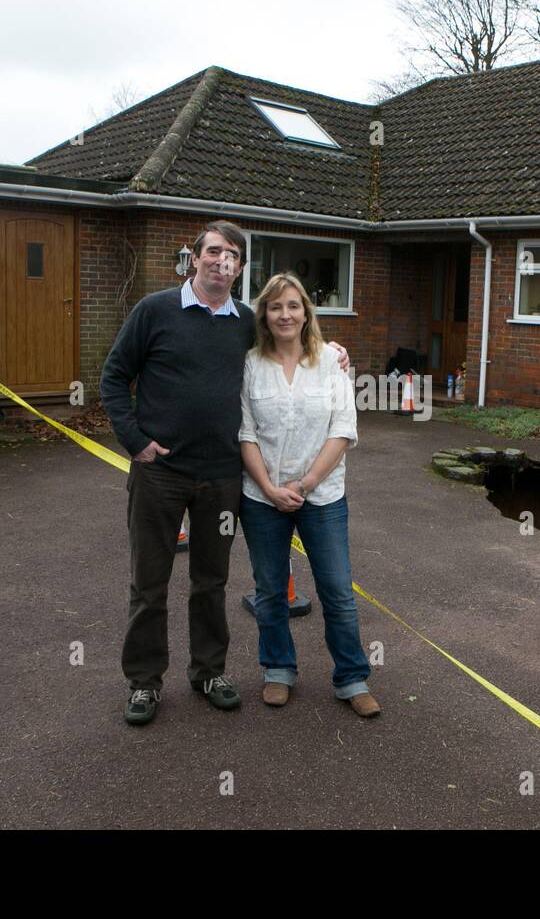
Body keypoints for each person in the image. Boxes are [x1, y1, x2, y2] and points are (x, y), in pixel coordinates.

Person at [100, 221, 348, 725]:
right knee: (149, 583)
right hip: (160, 475)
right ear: (195, 257)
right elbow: (113, 377)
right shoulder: (155, 311)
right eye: (214, 251)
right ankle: (144, 682)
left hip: (221, 478)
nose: (223, 261)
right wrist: (135, 441)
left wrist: (337, 350)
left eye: (233, 255)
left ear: (240, 267)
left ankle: (208, 671)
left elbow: (293, 338)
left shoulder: (243, 323)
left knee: (210, 581)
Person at [238, 272, 379, 718]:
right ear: (265, 314)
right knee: (270, 589)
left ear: (306, 313)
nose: (285, 314)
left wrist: (303, 485)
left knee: (338, 590)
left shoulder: (332, 363)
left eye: (293, 306)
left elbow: (343, 429)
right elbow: (245, 433)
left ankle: (351, 677)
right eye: (276, 307)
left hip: (323, 496)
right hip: (262, 498)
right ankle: (278, 669)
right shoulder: (250, 364)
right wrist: (268, 487)